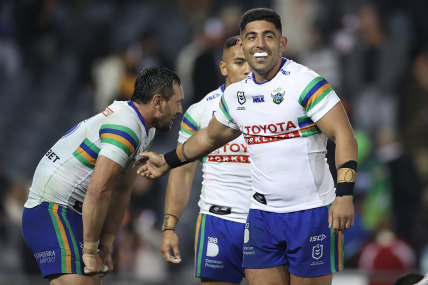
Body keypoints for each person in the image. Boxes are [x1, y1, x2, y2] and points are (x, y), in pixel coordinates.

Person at [138, 8, 358, 285]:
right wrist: (167, 161)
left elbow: (345, 136)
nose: (260, 43)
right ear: (242, 44)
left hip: (310, 212)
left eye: (269, 36)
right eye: (252, 37)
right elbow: (209, 138)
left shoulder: (305, 83)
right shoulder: (235, 95)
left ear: (282, 42)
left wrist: (345, 195)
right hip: (262, 216)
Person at [21, 66, 184, 285]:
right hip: (51, 209)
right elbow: (99, 189)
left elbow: (122, 190)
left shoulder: (144, 129)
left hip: (71, 212)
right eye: (177, 102)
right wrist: (90, 251)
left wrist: (105, 245)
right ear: (157, 101)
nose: (180, 109)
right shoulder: (126, 127)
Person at [160, 35, 252, 285]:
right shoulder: (200, 111)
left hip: (264, 220)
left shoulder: (275, 106)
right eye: (239, 62)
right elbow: (183, 172)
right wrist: (169, 227)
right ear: (223, 68)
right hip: (216, 222)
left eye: (252, 62)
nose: (247, 69)